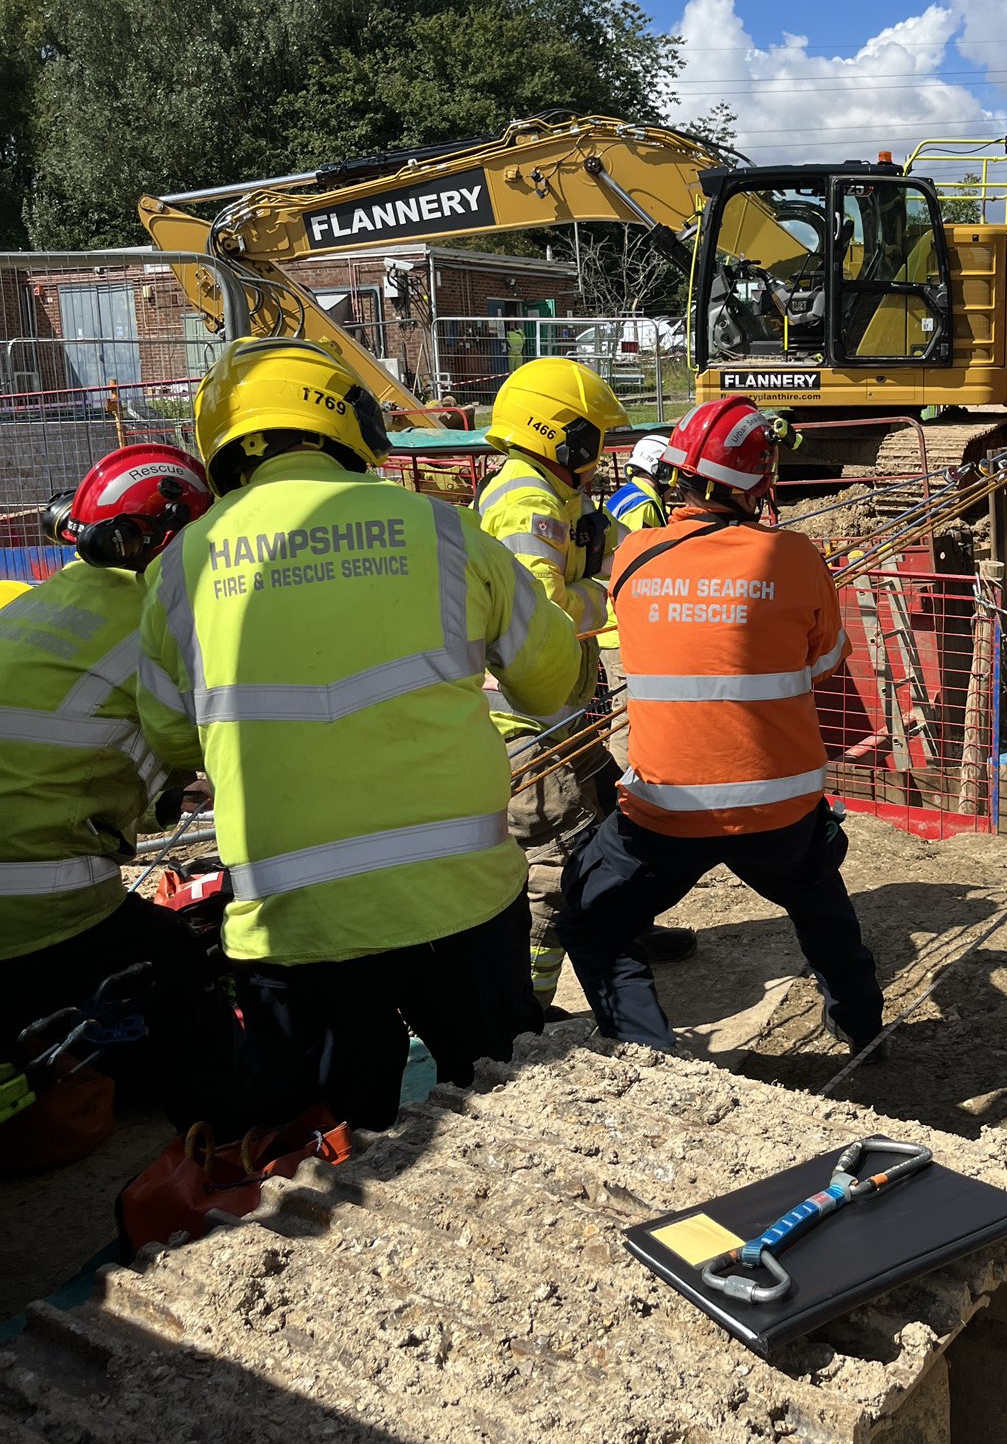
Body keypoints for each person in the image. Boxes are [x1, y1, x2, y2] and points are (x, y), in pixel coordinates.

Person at [135, 339, 582, 1129]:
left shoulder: (177, 571)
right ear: (345, 425)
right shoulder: (443, 533)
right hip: (461, 905)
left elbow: (173, 744)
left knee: (331, 1144)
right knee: (512, 1113)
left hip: (295, 924)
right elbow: (549, 685)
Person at [557, 396, 884, 1058]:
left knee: (590, 922)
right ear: (758, 483)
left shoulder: (634, 556)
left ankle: (648, 1056)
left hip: (665, 811)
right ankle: (862, 1026)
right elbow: (823, 664)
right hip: (780, 806)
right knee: (820, 906)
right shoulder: (792, 556)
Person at [0, 444, 239, 1130]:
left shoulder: (31, 605)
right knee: (177, 967)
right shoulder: (161, 625)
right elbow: (213, 748)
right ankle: (228, 1141)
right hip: (38, 905)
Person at [475, 361, 694, 1015]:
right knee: (554, 872)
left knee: (613, 821)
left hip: (561, 718)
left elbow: (630, 551)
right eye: (595, 438)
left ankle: (629, 926)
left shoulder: (562, 498)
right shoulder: (528, 503)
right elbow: (541, 611)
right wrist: (607, 597)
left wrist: (695, 558)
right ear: (561, 435)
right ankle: (530, 1011)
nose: (602, 454)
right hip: (524, 724)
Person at [598, 432, 671, 772]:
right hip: (621, 629)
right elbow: (641, 566)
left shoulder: (625, 497)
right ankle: (622, 794)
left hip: (611, 623)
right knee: (626, 720)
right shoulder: (644, 506)